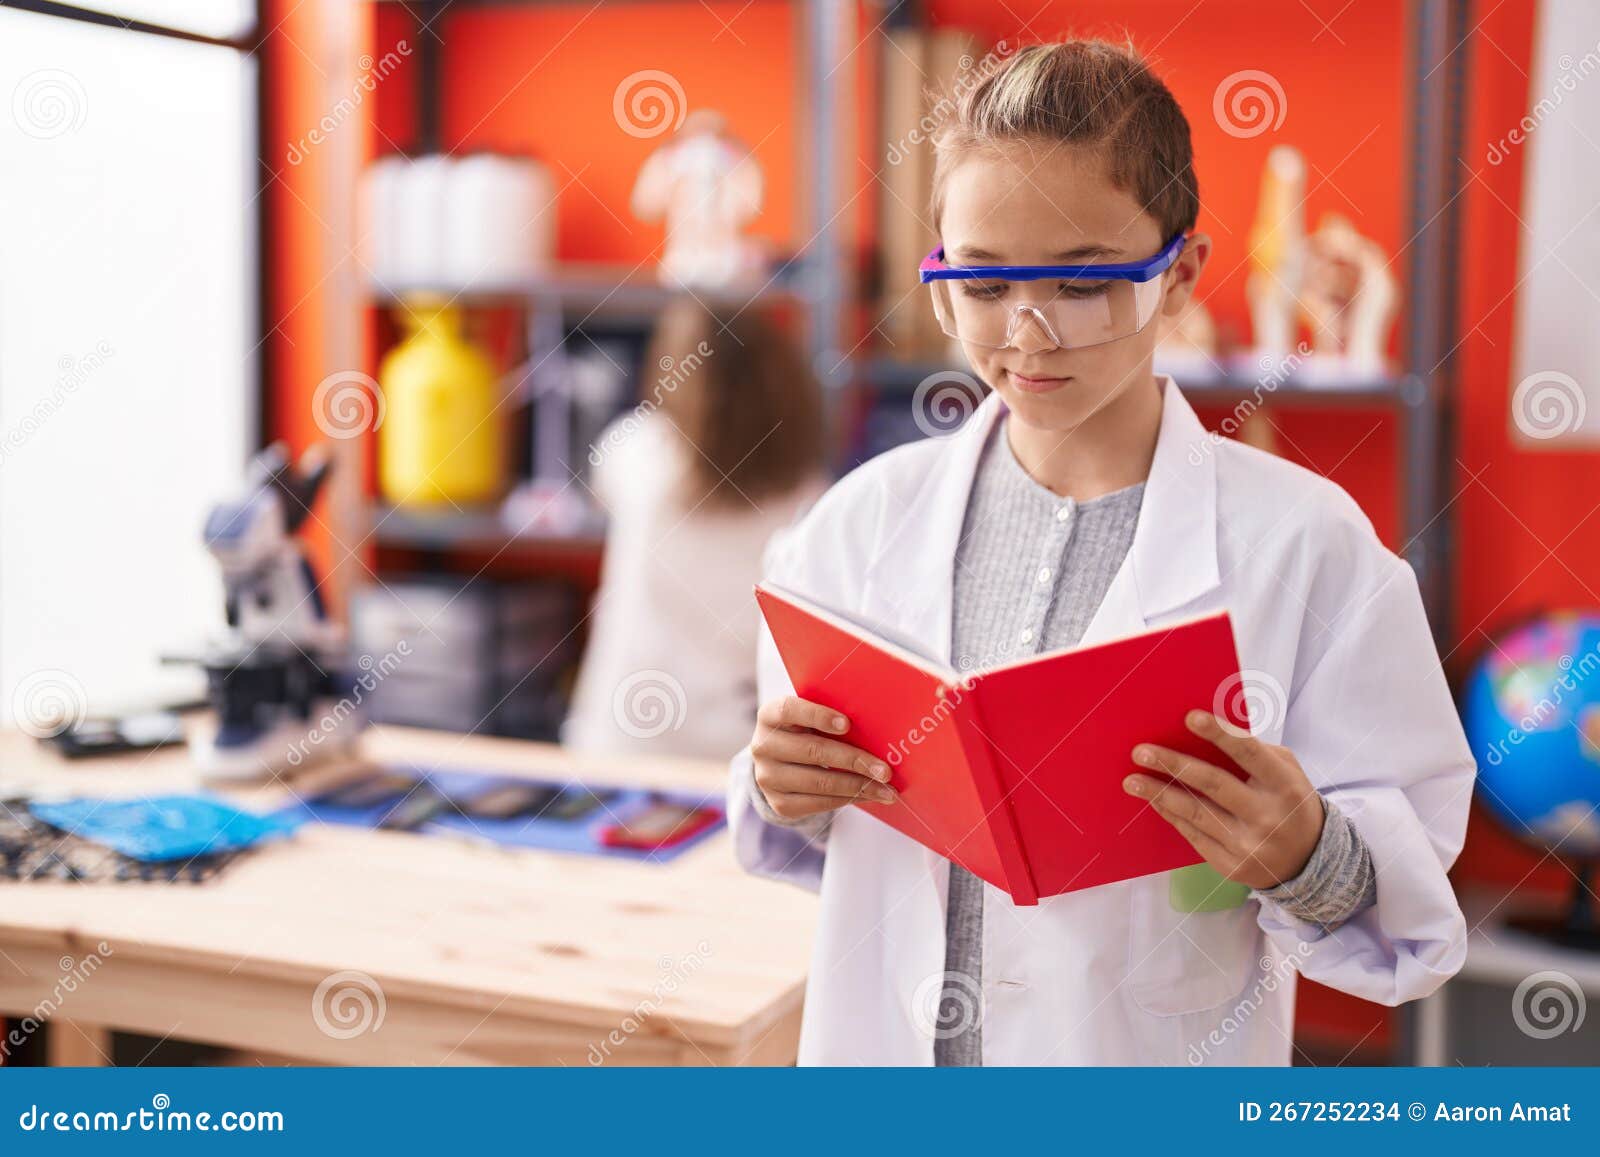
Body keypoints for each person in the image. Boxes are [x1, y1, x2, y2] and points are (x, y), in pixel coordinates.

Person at [726, 39, 1474, 1065]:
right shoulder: (856, 526)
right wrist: (780, 783)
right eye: (981, 287)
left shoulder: (1308, 547)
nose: (1028, 335)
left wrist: (1306, 856)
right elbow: (807, 833)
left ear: (1181, 275)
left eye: (1083, 285)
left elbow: (1410, 913)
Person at [563, 299, 828, 761]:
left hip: (618, 740)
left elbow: (597, 492)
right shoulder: (810, 493)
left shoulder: (638, 451)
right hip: (738, 750)